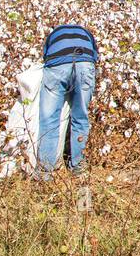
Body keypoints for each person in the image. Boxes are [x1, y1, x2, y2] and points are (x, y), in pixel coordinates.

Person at [38, 23, 98, 175]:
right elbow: (95, 57)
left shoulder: (54, 34)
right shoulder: (86, 34)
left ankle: (45, 171)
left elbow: (46, 57)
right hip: (85, 63)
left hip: (57, 64)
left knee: (49, 119)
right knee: (81, 117)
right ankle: (78, 167)